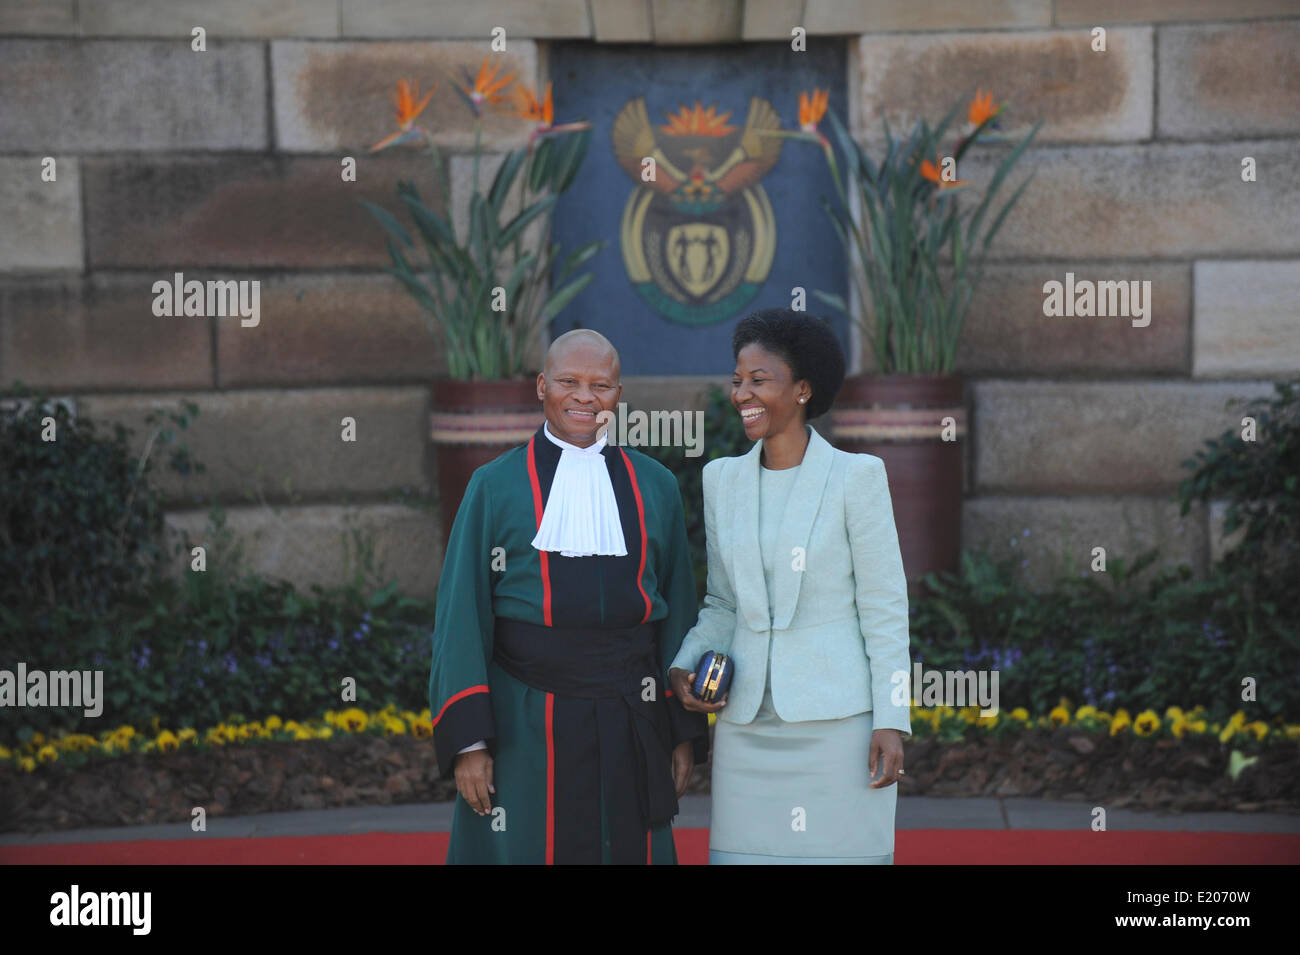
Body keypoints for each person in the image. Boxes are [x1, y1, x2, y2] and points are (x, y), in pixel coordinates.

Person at [429, 329, 708, 864]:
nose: (585, 396)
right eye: (569, 382)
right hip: (524, 724)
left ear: (618, 395)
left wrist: (680, 731)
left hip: (633, 716)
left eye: (600, 385)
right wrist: (470, 743)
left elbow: (678, 613)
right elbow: (461, 615)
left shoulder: (657, 485)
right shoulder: (493, 485)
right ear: (541, 387)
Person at [668, 308, 912, 864]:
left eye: (760, 380)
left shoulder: (858, 477)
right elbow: (723, 602)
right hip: (746, 730)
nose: (742, 393)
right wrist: (685, 664)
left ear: (802, 389)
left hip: (838, 729)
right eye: (737, 380)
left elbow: (885, 608)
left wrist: (892, 720)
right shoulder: (721, 480)